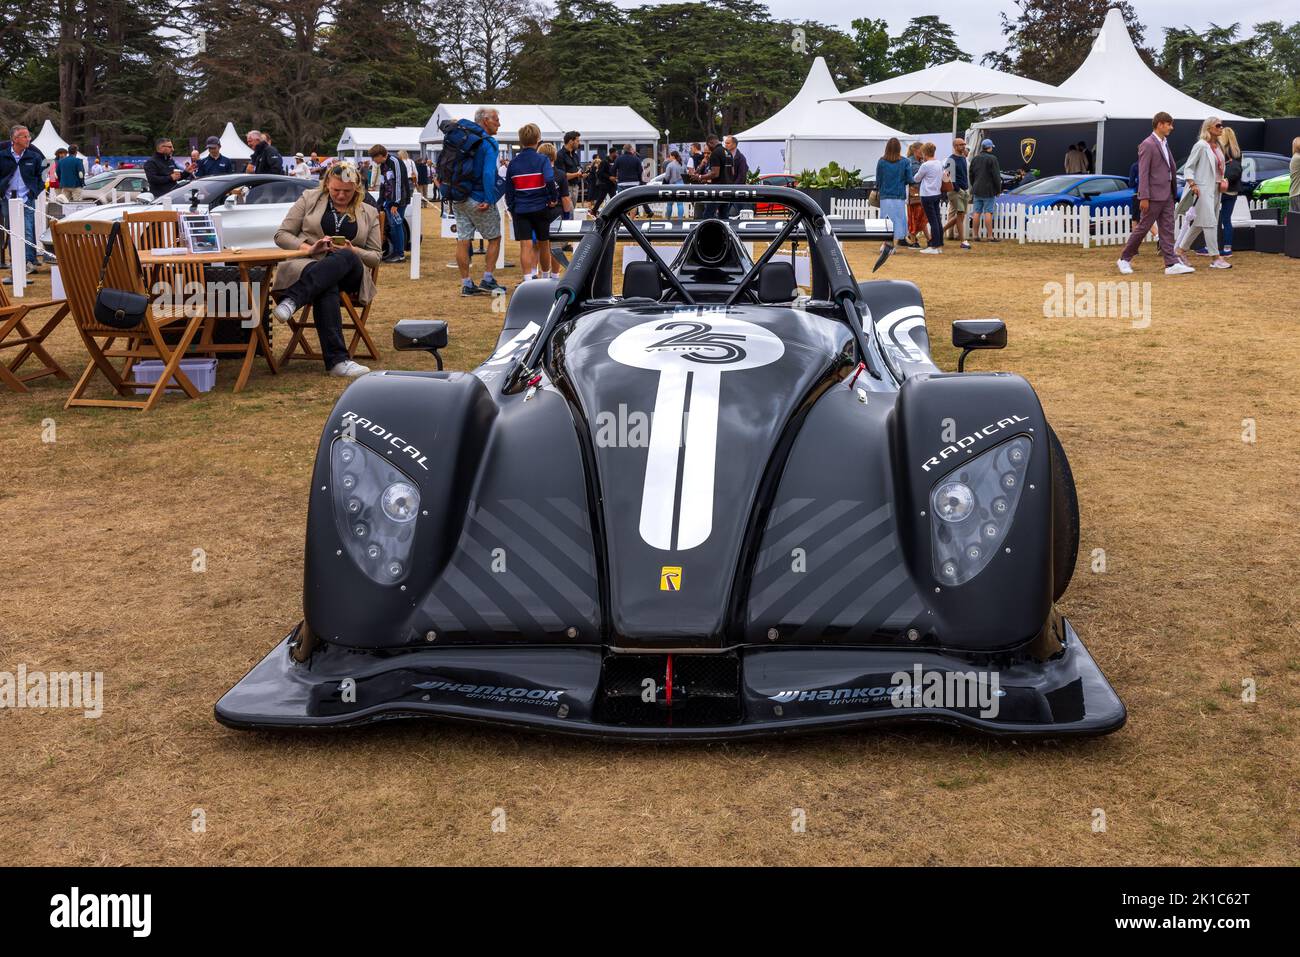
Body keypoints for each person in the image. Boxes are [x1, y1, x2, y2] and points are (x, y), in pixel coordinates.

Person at [270, 161, 382, 378]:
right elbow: (281, 235)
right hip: (309, 264)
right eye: (335, 190)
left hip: (351, 273)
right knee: (327, 284)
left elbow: (376, 257)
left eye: (347, 192)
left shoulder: (368, 211)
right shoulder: (308, 198)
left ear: (357, 189)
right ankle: (337, 362)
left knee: (347, 256)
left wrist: (354, 250)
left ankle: (292, 300)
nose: (341, 195)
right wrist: (310, 248)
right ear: (326, 185)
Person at [1118, 112, 1193, 275]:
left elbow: (1168, 168)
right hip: (1152, 196)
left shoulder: (1164, 143)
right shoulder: (1148, 144)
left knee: (1167, 229)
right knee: (1143, 227)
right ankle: (1124, 259)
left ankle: (1171, 264)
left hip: (1167, 195)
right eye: (1169, 124)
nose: (1171, 128)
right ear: (1160, 124)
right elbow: (1143, 172)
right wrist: (1143, 196)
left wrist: (1172, 192)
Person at [452, 107, 506, 297]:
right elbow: (488, 172)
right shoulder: (489, 142)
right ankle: (488, 279)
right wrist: (489, 198)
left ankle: (466, 283)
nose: (498, 123)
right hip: (478, 196)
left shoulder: (460, 138)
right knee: (495, 238)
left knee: (463, 239)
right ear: (485, 120)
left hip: (457, 195)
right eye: (496, 120)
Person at [1174, 117, 1230, 270]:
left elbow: (1218, 168)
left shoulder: (1218, 146)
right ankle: (1215, 257)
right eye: (1218, 125)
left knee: (1199, 223)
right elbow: (1189, 167)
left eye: (1221, 125)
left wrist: (1222, 180)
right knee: (1210, 222)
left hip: (1216, 189)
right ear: (1209, 127)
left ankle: (1180, 251)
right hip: (1202, 189)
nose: (1221, 128)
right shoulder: (1200, 145)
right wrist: (1192, 184)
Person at [504, 122, 558, 280]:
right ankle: (546, 276)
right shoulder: (542, 160)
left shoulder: (513, 163)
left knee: (525, 245)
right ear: (538, 139)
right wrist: (552, 198)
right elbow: (549, 179)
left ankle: (527, 279)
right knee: (544, 243)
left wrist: (512, 207)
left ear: (520, 141)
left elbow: (509, 190)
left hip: (521, 209)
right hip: (541, 207)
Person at [0, 125, 46, 273]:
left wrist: (34, 192)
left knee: (27, 230)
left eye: (28, 136)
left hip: (27, 199)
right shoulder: (2, 156)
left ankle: (29, 261)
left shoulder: (34, 156)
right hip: (7, 200)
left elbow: (43, 176)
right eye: (25, 136)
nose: (28, 139)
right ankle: (16, 260)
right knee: (12, 231)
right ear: (14, 139)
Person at [368, 144, 409, 263]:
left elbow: (399, 182)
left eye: (374, 158)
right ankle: (395, 252)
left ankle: (400, 254)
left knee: (397, 225)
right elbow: (383, 183)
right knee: (392, 227)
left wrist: (396, 203)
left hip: (398, 201)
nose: (373, 161)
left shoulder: (394, 161)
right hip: (388, 200)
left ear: (380, 155)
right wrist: (381, 201)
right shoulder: (383, 165)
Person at [874, 137, 912, 243]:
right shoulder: (905, 162)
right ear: (899, 148)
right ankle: (894, 243)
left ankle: (886, 243)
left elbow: (878, 180)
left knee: (885, 220)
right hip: (899, 195)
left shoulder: (881, 161)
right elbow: (909, 179)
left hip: (885, 195)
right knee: (898, 220)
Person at [537, 142, 567, 278]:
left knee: (541, 245)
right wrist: (568, 214)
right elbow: (566, 199)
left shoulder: (537, 175)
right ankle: (555, 276)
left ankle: (543, 275)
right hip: (557, 213)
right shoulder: (561, 175)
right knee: (556, 247)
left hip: (540, 212)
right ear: (554, 157)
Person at [968, 138, 1001, 242]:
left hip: (977, 188)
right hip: (989, 189)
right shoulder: (992, 158)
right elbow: (996, 176)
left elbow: (971, 175)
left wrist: (974, 185)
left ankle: (975, 235)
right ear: (989, 147)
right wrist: (998, 189)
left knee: (976, 213)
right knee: (988, 212)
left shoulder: (975, 158)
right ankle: (990, 236)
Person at [915, 142, 945, 254]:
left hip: (927, 195)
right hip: (937, 193)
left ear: (924, 152)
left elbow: (917, 178)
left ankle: (934, 246)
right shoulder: (939, 163)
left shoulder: (925, 165)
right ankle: (939, 245)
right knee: (937, 219)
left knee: (933, 221)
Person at [942, 137, 970, 248]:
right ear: (955, 146)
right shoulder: (950, 160)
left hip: (964, 190)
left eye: (964, 144)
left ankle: (941, 230)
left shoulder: (963, 158)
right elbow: (948, 178)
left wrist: (966, 190)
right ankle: (963, 241)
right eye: (961, 144)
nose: (964, 146)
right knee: (960, 214)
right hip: (955, 191)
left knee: (961, 216)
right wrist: (959, 190)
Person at [1218, 126, 1242, 255]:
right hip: (1233, 190)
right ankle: (1227, 247)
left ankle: (1210, 246)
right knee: (1227, 219)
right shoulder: (1237, 152)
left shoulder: (1222, 151)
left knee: (1214, 218)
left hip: (1222, 188)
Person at [904, 141, 928, 247]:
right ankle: (913, 239)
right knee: (914, 217)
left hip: (922, 192)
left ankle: (912, 236)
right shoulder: (909, 162)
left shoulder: (922, 161)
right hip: (913, 193)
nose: (923, 152)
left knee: (922, 217)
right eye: (921, 150)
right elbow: (913, 178)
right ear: (915, 150)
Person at [555, 132, 582, 219]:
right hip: (566, 188)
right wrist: (577, 174)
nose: (579, 143)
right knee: (569, 213)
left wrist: (582, 174)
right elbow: (562, 175)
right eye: (577, 141)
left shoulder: (575, 155)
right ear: (571, 141)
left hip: (575, 187)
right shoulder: (560, 155)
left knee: (572, 211)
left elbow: (578, 169)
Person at [724, 135, 748, 214]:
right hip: (726, 191)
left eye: (728, 143)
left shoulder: (741, 158)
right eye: (725, 143)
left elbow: (742, 176)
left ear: (734, 144)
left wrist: (733, 188)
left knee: (735, 214)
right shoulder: (725, 156)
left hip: (736, 192)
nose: (725, 145)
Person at [663, 149, 686, 217]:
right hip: (681, 184)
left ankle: (668, 218)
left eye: (670, 156)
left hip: (672, 185)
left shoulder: (670, 165)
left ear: (673, 156)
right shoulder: (682, 164)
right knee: (680, 204)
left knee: (669, 203)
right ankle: (680, 219)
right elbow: (685, 174)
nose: (669, 158)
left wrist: (665, 182)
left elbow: (667, 176)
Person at [1290, 136, 1300, 214]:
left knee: (1295, 221)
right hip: (1298, 194)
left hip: (1294, 194)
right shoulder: (1298, 158)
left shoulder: (1295, 157)